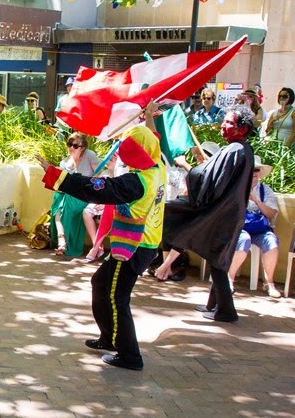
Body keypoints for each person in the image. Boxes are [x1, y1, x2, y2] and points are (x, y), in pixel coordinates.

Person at [35, 123, 166, 371]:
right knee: (100, 283)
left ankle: (129, 356)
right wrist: (148, 117)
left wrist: (56, 175)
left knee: (117, 298)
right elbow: (152, 139)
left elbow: (98, 189)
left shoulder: (137, 182)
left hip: (132, 246)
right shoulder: (158, 168)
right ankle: (109, 337)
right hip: (143, 244)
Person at [158, 105, 256, 323]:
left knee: (217, 259)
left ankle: (226, 310)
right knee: (217, 258)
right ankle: (217, 305)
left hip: (221, 214)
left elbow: (208, 183)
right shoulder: (240, 150)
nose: (223, 125)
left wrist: (185, 165)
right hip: (227, 212)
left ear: (242, 128)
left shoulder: (235, 151)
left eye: (229, 122)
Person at [228, 156, 282, 298]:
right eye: (252, 169)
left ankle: (269, 283)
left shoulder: (266, 190)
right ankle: (230, 278)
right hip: (241, 228)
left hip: (260, 229)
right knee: (244, 239)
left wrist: (256, 200)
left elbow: (271, 214)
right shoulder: (236, 188)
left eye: (257, 170)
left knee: (272, 242)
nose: (255, 173)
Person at [49, 133, 100, 257]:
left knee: (65, 200)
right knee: (59, 198)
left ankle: (62, 240)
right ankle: (62, 241)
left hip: (86, 194)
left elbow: (99, 174)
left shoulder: (90, 155)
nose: (71, 148)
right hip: (70, 195)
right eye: (69, 144)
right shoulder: (65, 162)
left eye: (75, 145)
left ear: (82, 147)